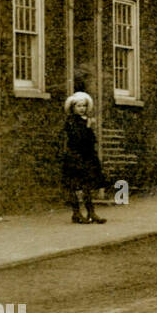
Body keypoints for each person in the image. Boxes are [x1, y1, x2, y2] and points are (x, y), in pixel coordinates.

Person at [62, 93, 107, 223]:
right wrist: (88, 126)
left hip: (87, 156)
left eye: (84, 106)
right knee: (74, 186)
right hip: (75, 156)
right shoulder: (71, 121)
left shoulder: (85, 120)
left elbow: (92, 140)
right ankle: (76, 213)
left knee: (88, 186)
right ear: (73, 107)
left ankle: (91, 213)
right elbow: (78, 138)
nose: (82, 108)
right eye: (78, 106)